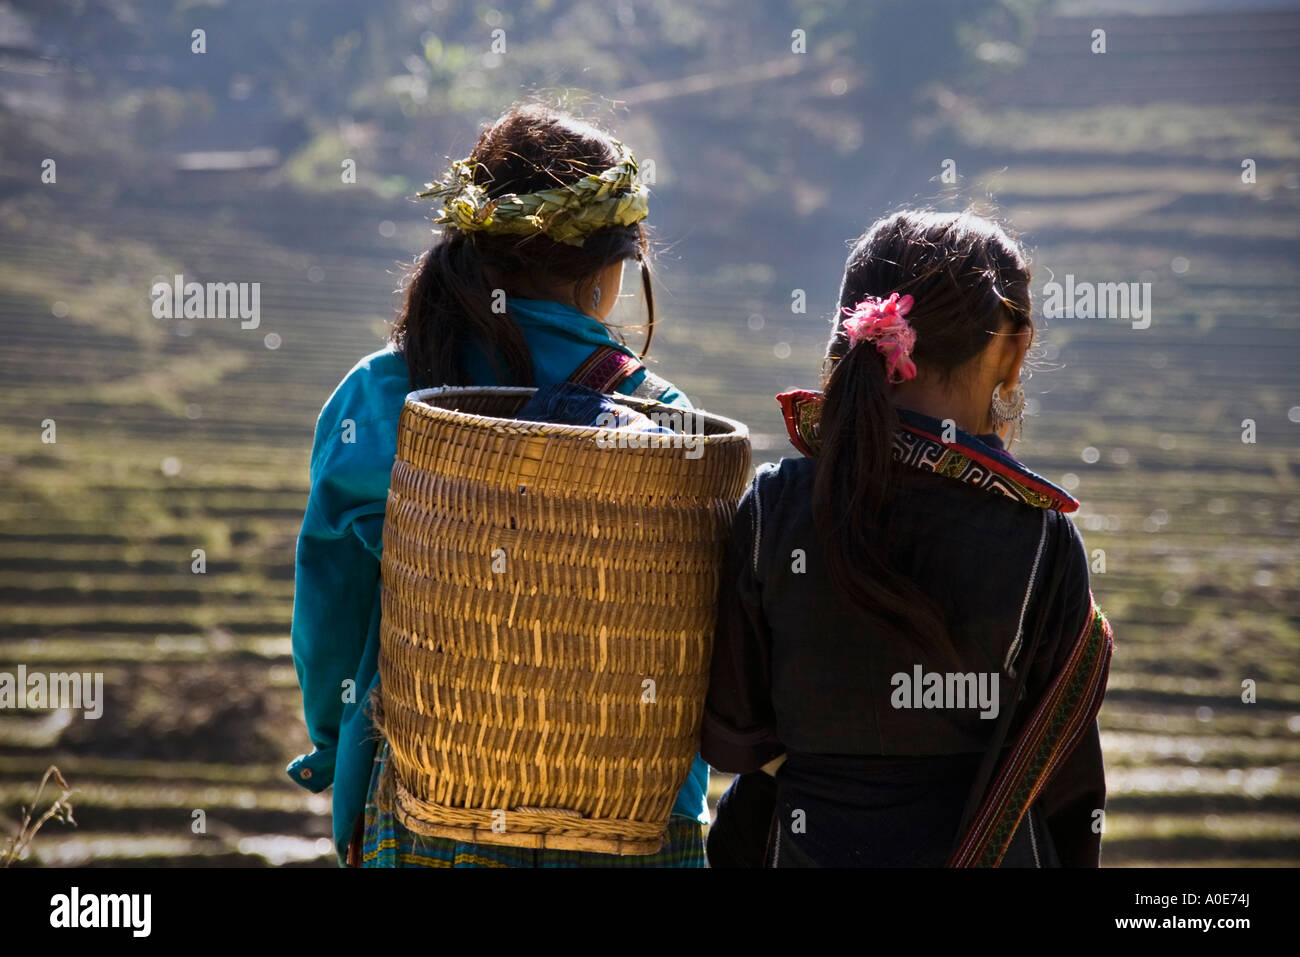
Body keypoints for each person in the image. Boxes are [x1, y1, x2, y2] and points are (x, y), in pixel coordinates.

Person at [285, 102, 709, 867]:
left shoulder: (381, 398)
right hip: (629, 821)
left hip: (433, 807)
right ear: (612, 271)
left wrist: (332, 738)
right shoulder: (661, 416)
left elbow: (333, 615)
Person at [701, 209, 1115, 867]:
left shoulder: (774, 511)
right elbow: (1067, 788)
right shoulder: (1040, 542)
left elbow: (733, 739)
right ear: (1009, 349)